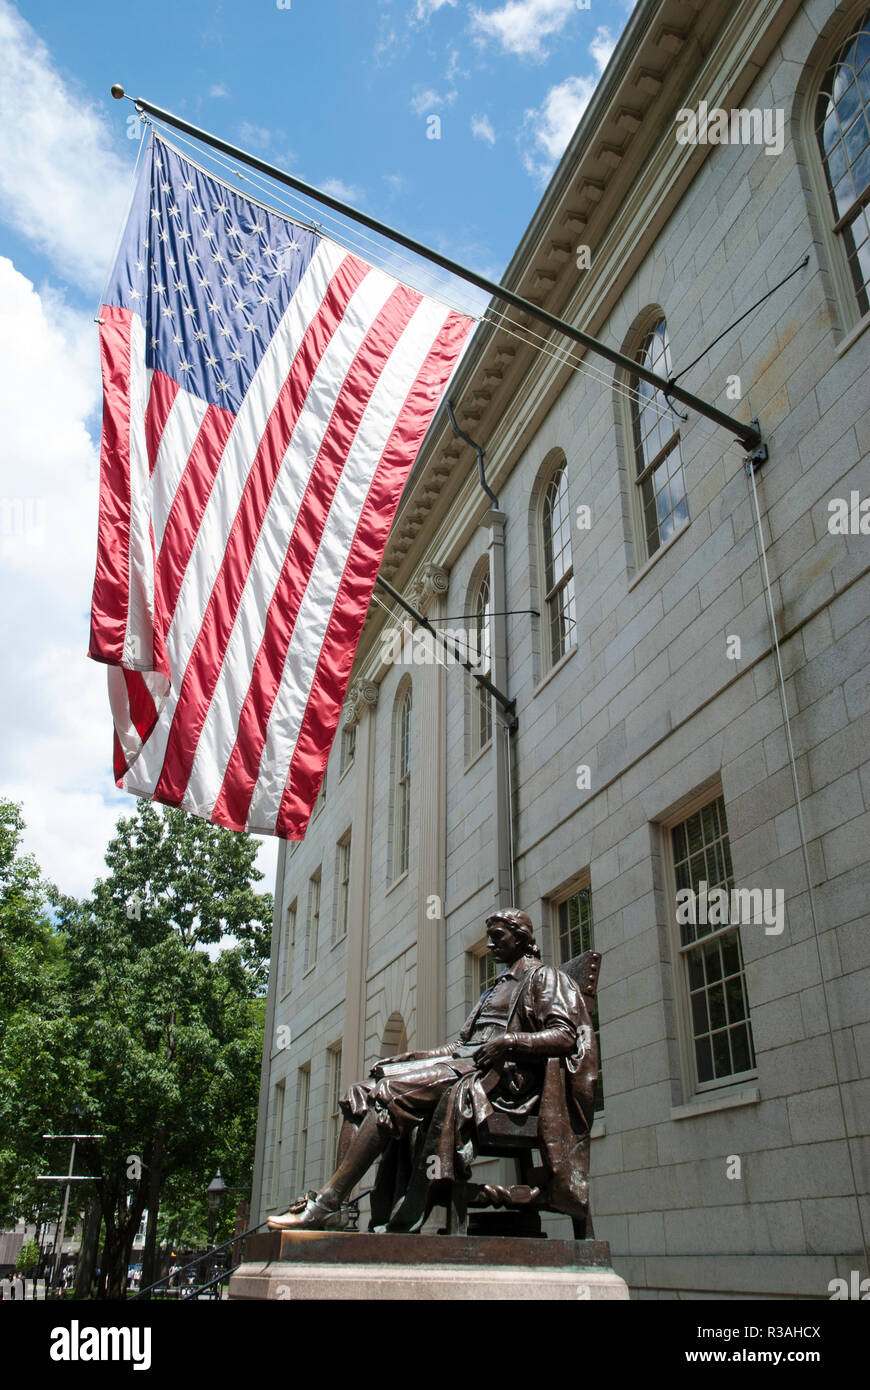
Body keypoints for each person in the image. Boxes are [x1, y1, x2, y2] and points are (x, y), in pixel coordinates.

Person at [267, 907, 597, 1232]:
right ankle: (336, 1207)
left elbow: (567, 1036)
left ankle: (327, 1203)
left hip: (499, 1082)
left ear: (522, 938)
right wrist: (410, 1058)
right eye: (489, 938)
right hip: (465, 1064)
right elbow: (458, 1046)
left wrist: (509, 1042)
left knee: (388, 1093)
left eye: (498, 937)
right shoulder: (493, 989)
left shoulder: (544, 977)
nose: (491, 944)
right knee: (360, 1091)